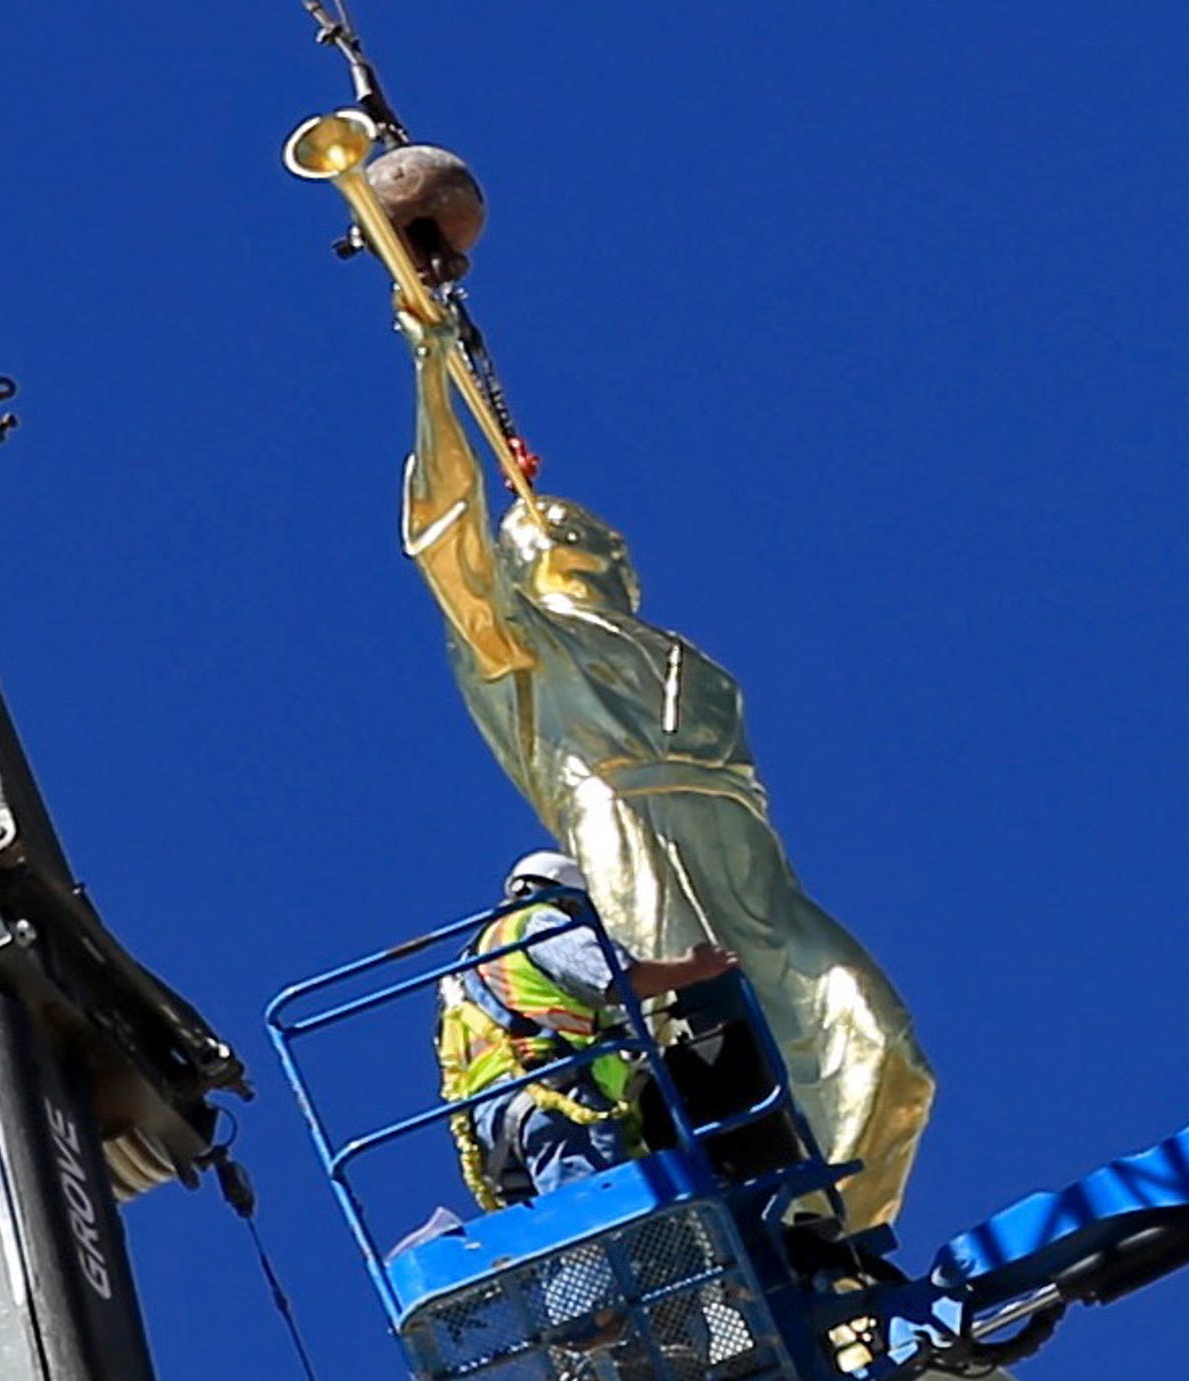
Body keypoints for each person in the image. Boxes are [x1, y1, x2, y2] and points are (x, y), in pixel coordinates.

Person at [397, 311, 938, 1229]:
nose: (575, 535)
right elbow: (446, 540)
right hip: (635, 849)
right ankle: (760, 1228)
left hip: (751, 870)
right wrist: (431, 372)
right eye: (547, 532)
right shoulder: (525, 651)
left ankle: (836, 1234)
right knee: (705, 1058)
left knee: (881, 1050)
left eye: (595, 535)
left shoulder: (689, 660)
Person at [438, 849, 741, 1205]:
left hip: (494, 1127)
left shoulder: (464, 973)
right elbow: (618, 981)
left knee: (568, 1224)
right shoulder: (537, 922)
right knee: (609, 1217)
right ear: (567, 898)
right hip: (552, 1099)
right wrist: (694, 967)